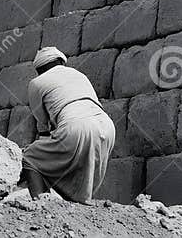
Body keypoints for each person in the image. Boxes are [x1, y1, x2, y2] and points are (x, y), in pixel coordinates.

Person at [22, 47, 116, 203]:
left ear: (38, 70)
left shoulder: (37, 83)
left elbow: (43, 125)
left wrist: (40, 154)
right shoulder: (79, 75)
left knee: (30, 157)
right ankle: (75, 208)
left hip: (76, 126)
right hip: (107, 126)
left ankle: (41, 205)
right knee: (80, 173)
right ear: (61, 62)